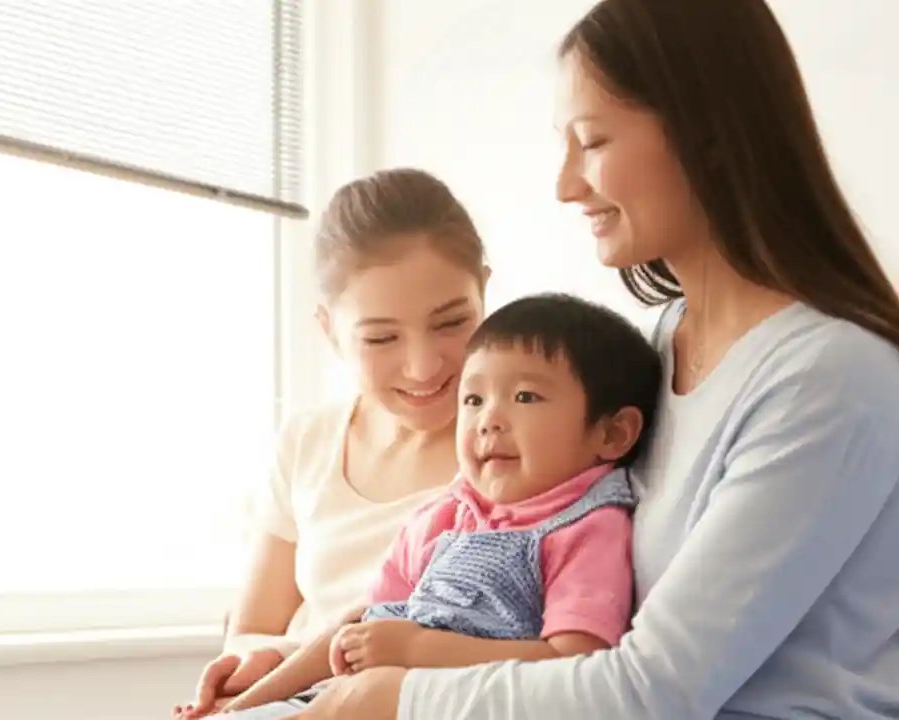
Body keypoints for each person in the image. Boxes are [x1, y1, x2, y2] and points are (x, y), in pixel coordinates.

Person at [287, 1, 899, 718]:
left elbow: (651, 691)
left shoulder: (828, 379)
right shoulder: (649, 349)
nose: (566, 185)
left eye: (592, 141)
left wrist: (403, 697)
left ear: (708, 134)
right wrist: (290, 665)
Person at [188, 294, 661, 720]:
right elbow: (360, 628)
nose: (488, 420)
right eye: (473, 399)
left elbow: (576, 664)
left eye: (525, 396)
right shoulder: (446, 517)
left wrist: (418, 647)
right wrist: (238, 707)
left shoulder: (588, 528)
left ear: (612, 433)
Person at [173, 169, 492, 718]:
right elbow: (253, 627)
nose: (422, 365)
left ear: (484, 291)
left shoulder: (517, 452)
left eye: (451, 322)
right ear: (330, 331)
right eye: (381, 338)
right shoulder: (308, 442)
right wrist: (259, 662)